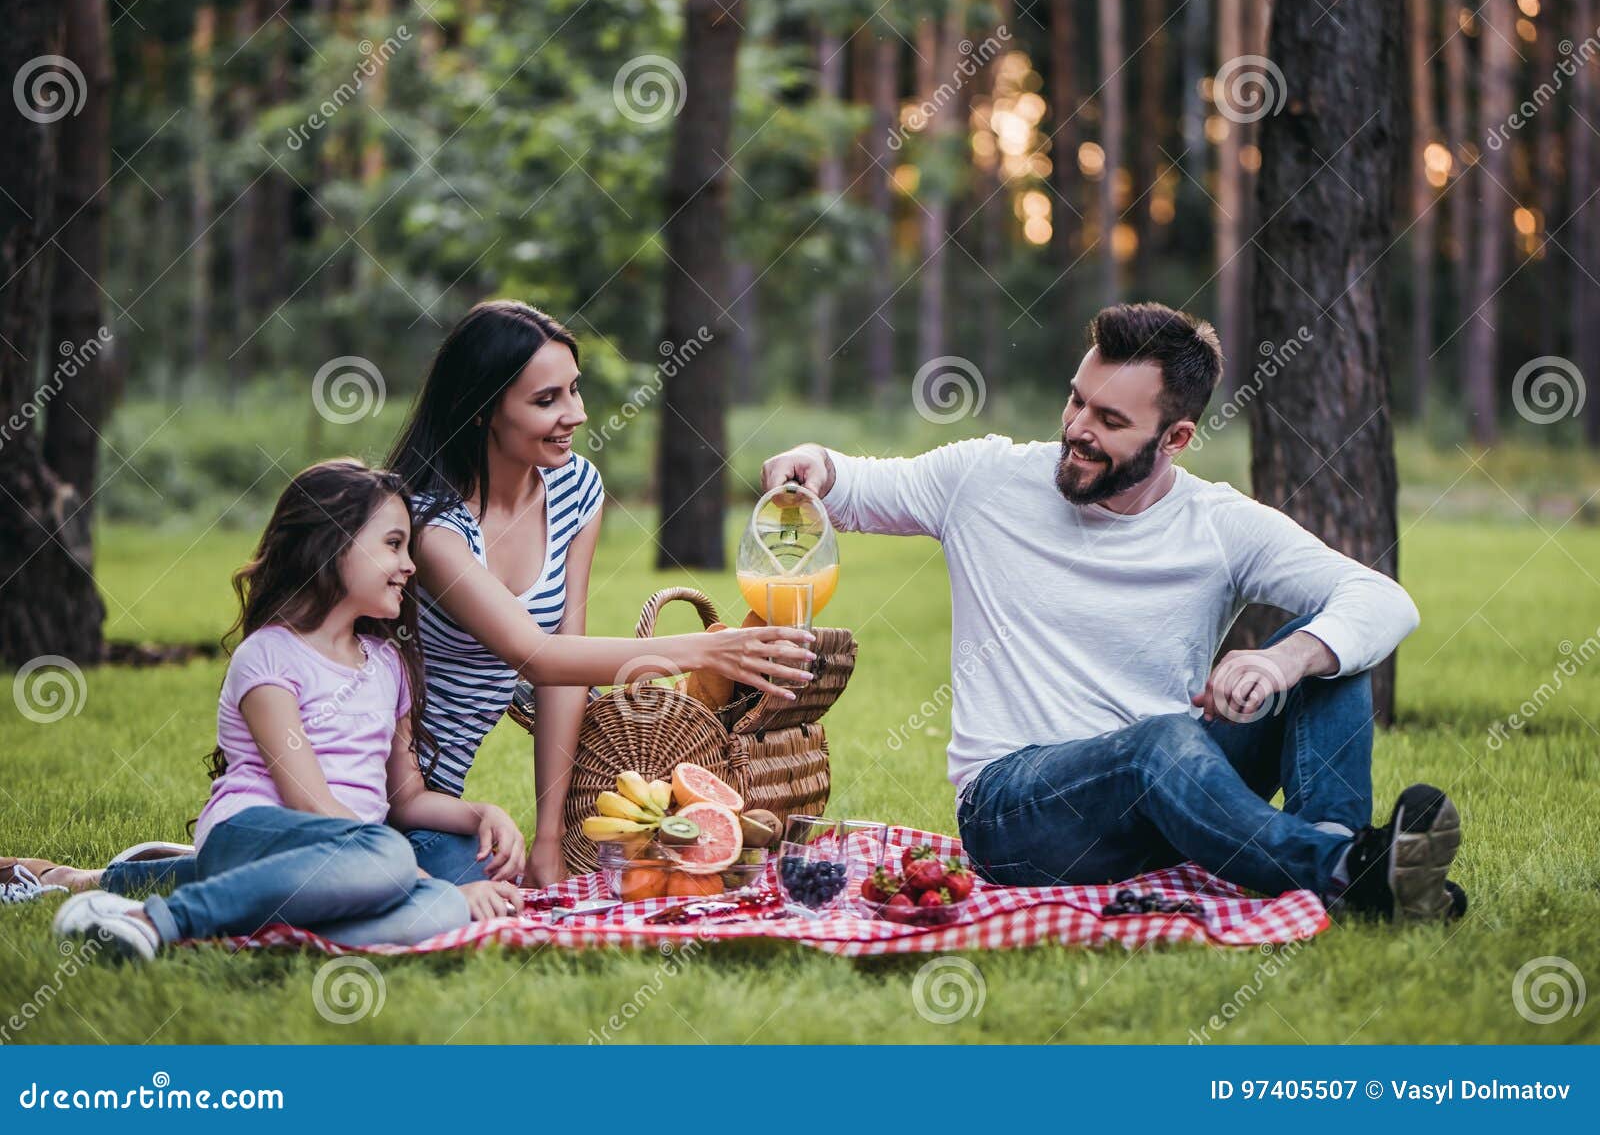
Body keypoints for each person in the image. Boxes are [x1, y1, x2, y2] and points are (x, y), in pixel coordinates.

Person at [20, 301, 816, 898]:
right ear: (485, 409)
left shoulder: (577, 490)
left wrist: (548, 834)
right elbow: (533, 652)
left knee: (483, 879)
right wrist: (704, 648)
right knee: (415, 884)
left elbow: (562, 674)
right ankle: (115, 880)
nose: (574, 415)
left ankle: (183, 865)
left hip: (427, 797)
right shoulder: (430, 527)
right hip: (352, 789)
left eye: (574, 391)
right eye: (547, 400)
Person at [760, 302, 1464, 922]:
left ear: (1175, 438)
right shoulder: (983, 479)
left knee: (1332, 651)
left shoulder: (1218, 523)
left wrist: (1284, 660)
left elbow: (1381, 600)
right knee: (1161, 741)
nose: (1077, 429)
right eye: (1077, 401)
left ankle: (1338, 858)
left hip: (1170, 800)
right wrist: (811, 460)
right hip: (1016, 812)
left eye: (1110, 420)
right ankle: (1350, 870)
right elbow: (851, 484)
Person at [52, 460, 523, 957]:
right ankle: (154, 919)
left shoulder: (389, 663)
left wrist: (480, 814)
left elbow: (406, 799)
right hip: (253, 836)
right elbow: (309, 802)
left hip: (347, 859)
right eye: (393, 544)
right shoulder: (268, 656)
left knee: (445, 910)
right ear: (332, 543)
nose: (409, 564)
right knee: (395, 857)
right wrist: (416, 875)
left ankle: (239, 930)